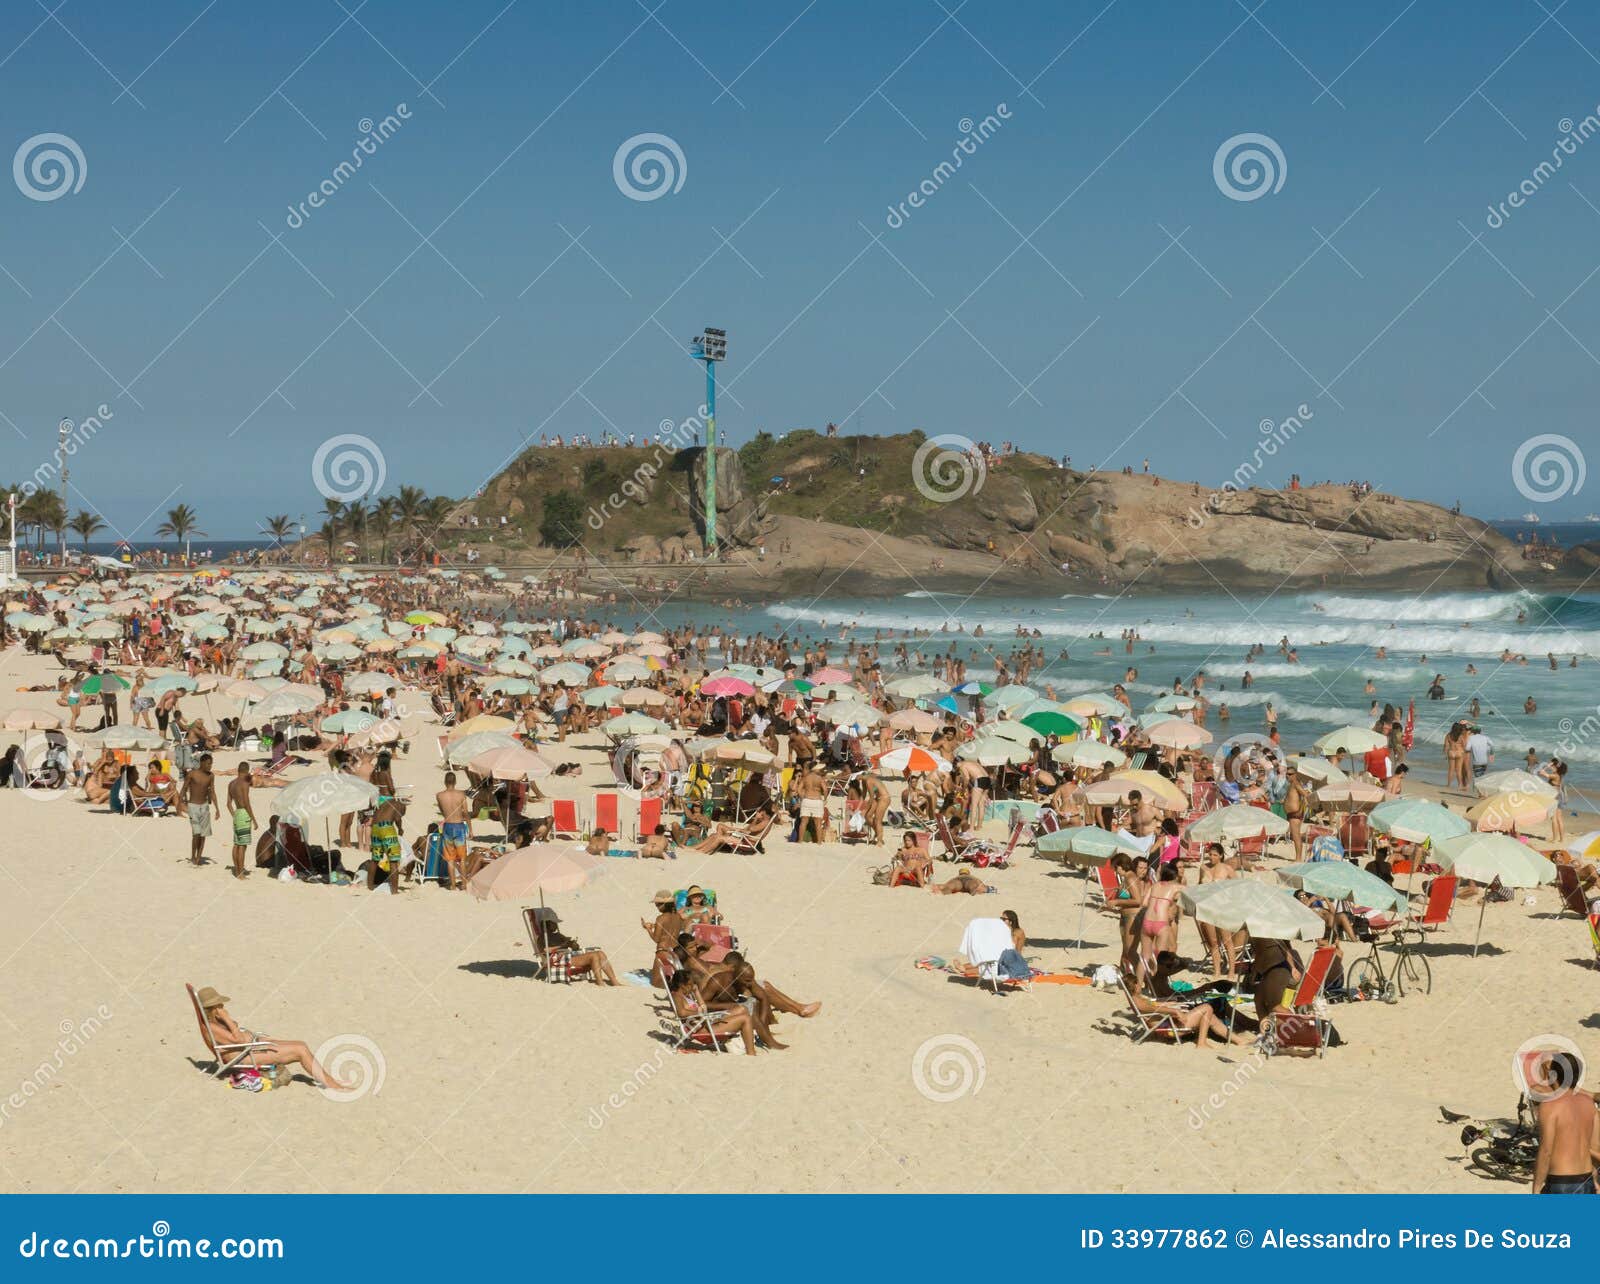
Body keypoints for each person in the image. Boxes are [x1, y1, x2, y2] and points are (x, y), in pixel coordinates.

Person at [196, 986, 352, 1091]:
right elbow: (238, 1040)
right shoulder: (212, 1028)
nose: (223, 1007)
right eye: (219, 1005)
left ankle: (329, 1079)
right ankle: (331, 1083)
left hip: (251, 1047)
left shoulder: (213, 1022)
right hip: (245, 1055)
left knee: (301, 1045)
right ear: (212, 1008)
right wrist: (227, 1018)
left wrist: (225, 1019)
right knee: (300, 1050)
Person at [1531, 1050, 1598, 1194]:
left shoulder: (1549, 1106)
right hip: (1587, 1181)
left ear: (1553, 1075)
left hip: (1561, 1183)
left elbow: (1546, 1151)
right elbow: (1595, 1148)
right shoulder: (1589, 1104)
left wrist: (1536, 1186)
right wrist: (1596, 1182)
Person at [530, 908, 620, 985]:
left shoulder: (557, 935)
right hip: (558, 960)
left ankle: (615, 982)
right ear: (547, 923)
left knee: (600, 953)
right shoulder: (542, 937)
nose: (556, 924)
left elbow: (572, 947)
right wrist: (562, 946)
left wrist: (572, 944)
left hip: (568, 956)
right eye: (554, 923)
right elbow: (545, 950)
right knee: (593, 956)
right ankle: (600, 983)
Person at [178, 752, 220, 867]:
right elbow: (184, 788)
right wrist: (179, 805)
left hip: (205, 806)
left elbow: (212, 791)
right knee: (196, 833)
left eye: (211, 764)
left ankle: (198, 857)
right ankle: (192, 855)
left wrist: (217, 808)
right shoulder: (192, 774)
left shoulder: (211, 776)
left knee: (203, 834)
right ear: (201, 763)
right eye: (208, 764)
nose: (210, 766)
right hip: (193, 806)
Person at [435, 771, 472, 890]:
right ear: (455, 782)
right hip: (459, 826)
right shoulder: (461, 795)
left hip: (448, 827)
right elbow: (465, 813)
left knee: (450, 859)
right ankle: (464, 884)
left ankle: (452, 885)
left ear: (445, 782)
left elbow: (442, 811)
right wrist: (470, 829)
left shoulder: (439, 795)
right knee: (462, 859)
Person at [227, 762, 255, 880]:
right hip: (244, 813)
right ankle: (240, 873)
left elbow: (228, 804)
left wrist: (235, 815)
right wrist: (254, 819)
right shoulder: (244, 784)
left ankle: (237, 870)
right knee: (243, 846)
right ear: (246, 771)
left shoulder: (231, 783)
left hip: (237, 813)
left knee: (236, 844)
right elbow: (246, 803)